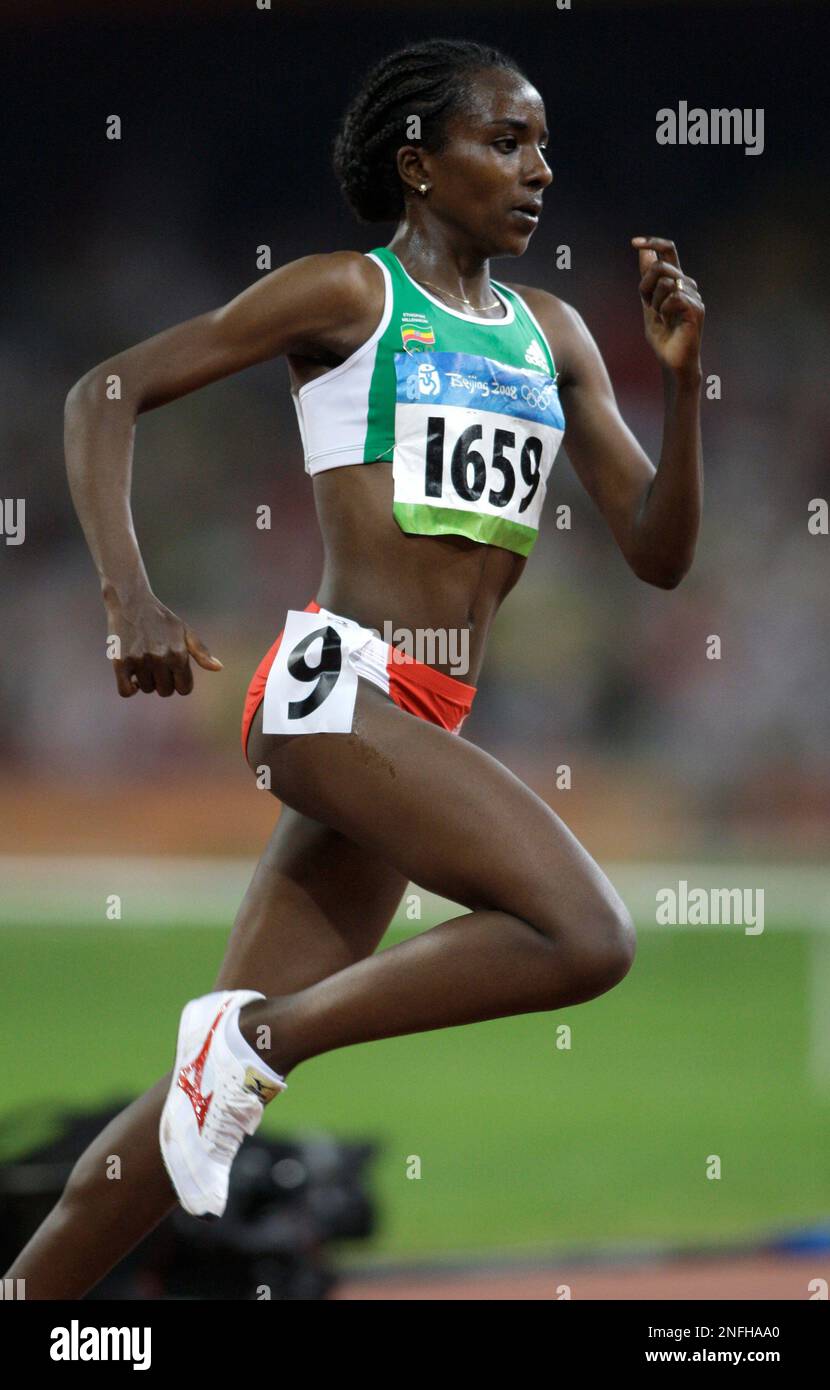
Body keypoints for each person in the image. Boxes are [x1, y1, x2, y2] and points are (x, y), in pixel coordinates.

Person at [7, 36, 703, 1294]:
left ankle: (35, 1296)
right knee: (588, 935)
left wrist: (685, 384)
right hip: (335, 689)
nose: (538, 167)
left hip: (418, 716)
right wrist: (131, 598)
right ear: (418, 166)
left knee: (191, 1122)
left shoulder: (552, 338)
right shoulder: (347, 296)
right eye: (505, 140)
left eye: (543, 141)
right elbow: (104, 392)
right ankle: (257, 1039)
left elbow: (656, 553)